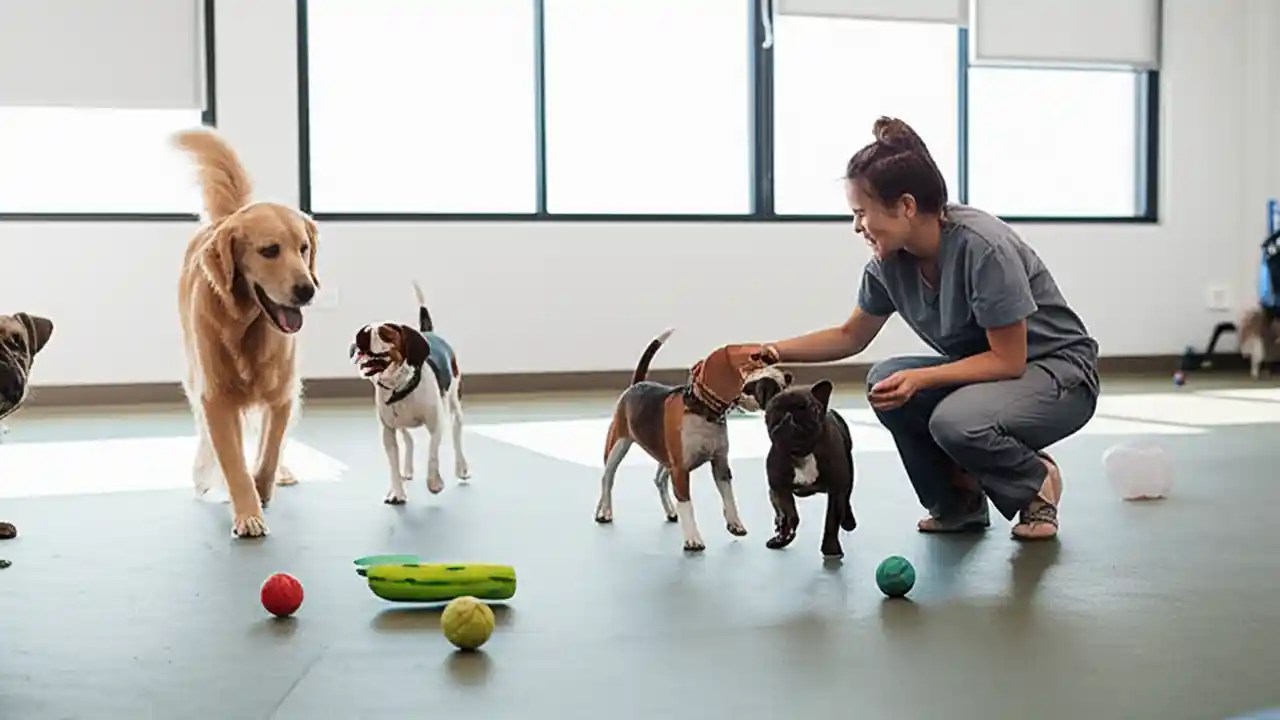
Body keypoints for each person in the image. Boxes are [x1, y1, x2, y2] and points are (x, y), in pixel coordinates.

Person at [751, 117, 1099, 541]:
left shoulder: (983, 247)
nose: (856, 226)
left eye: (861, 213)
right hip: (994, 376)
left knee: (954, 421)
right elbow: (850, 336)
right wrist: (769, 350)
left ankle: (1035, 480)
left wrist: (923, 377)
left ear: (906, 206)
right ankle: (958, 503)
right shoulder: (888, 263)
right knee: (885, 382)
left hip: (1059, 376)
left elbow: (1009, 359)